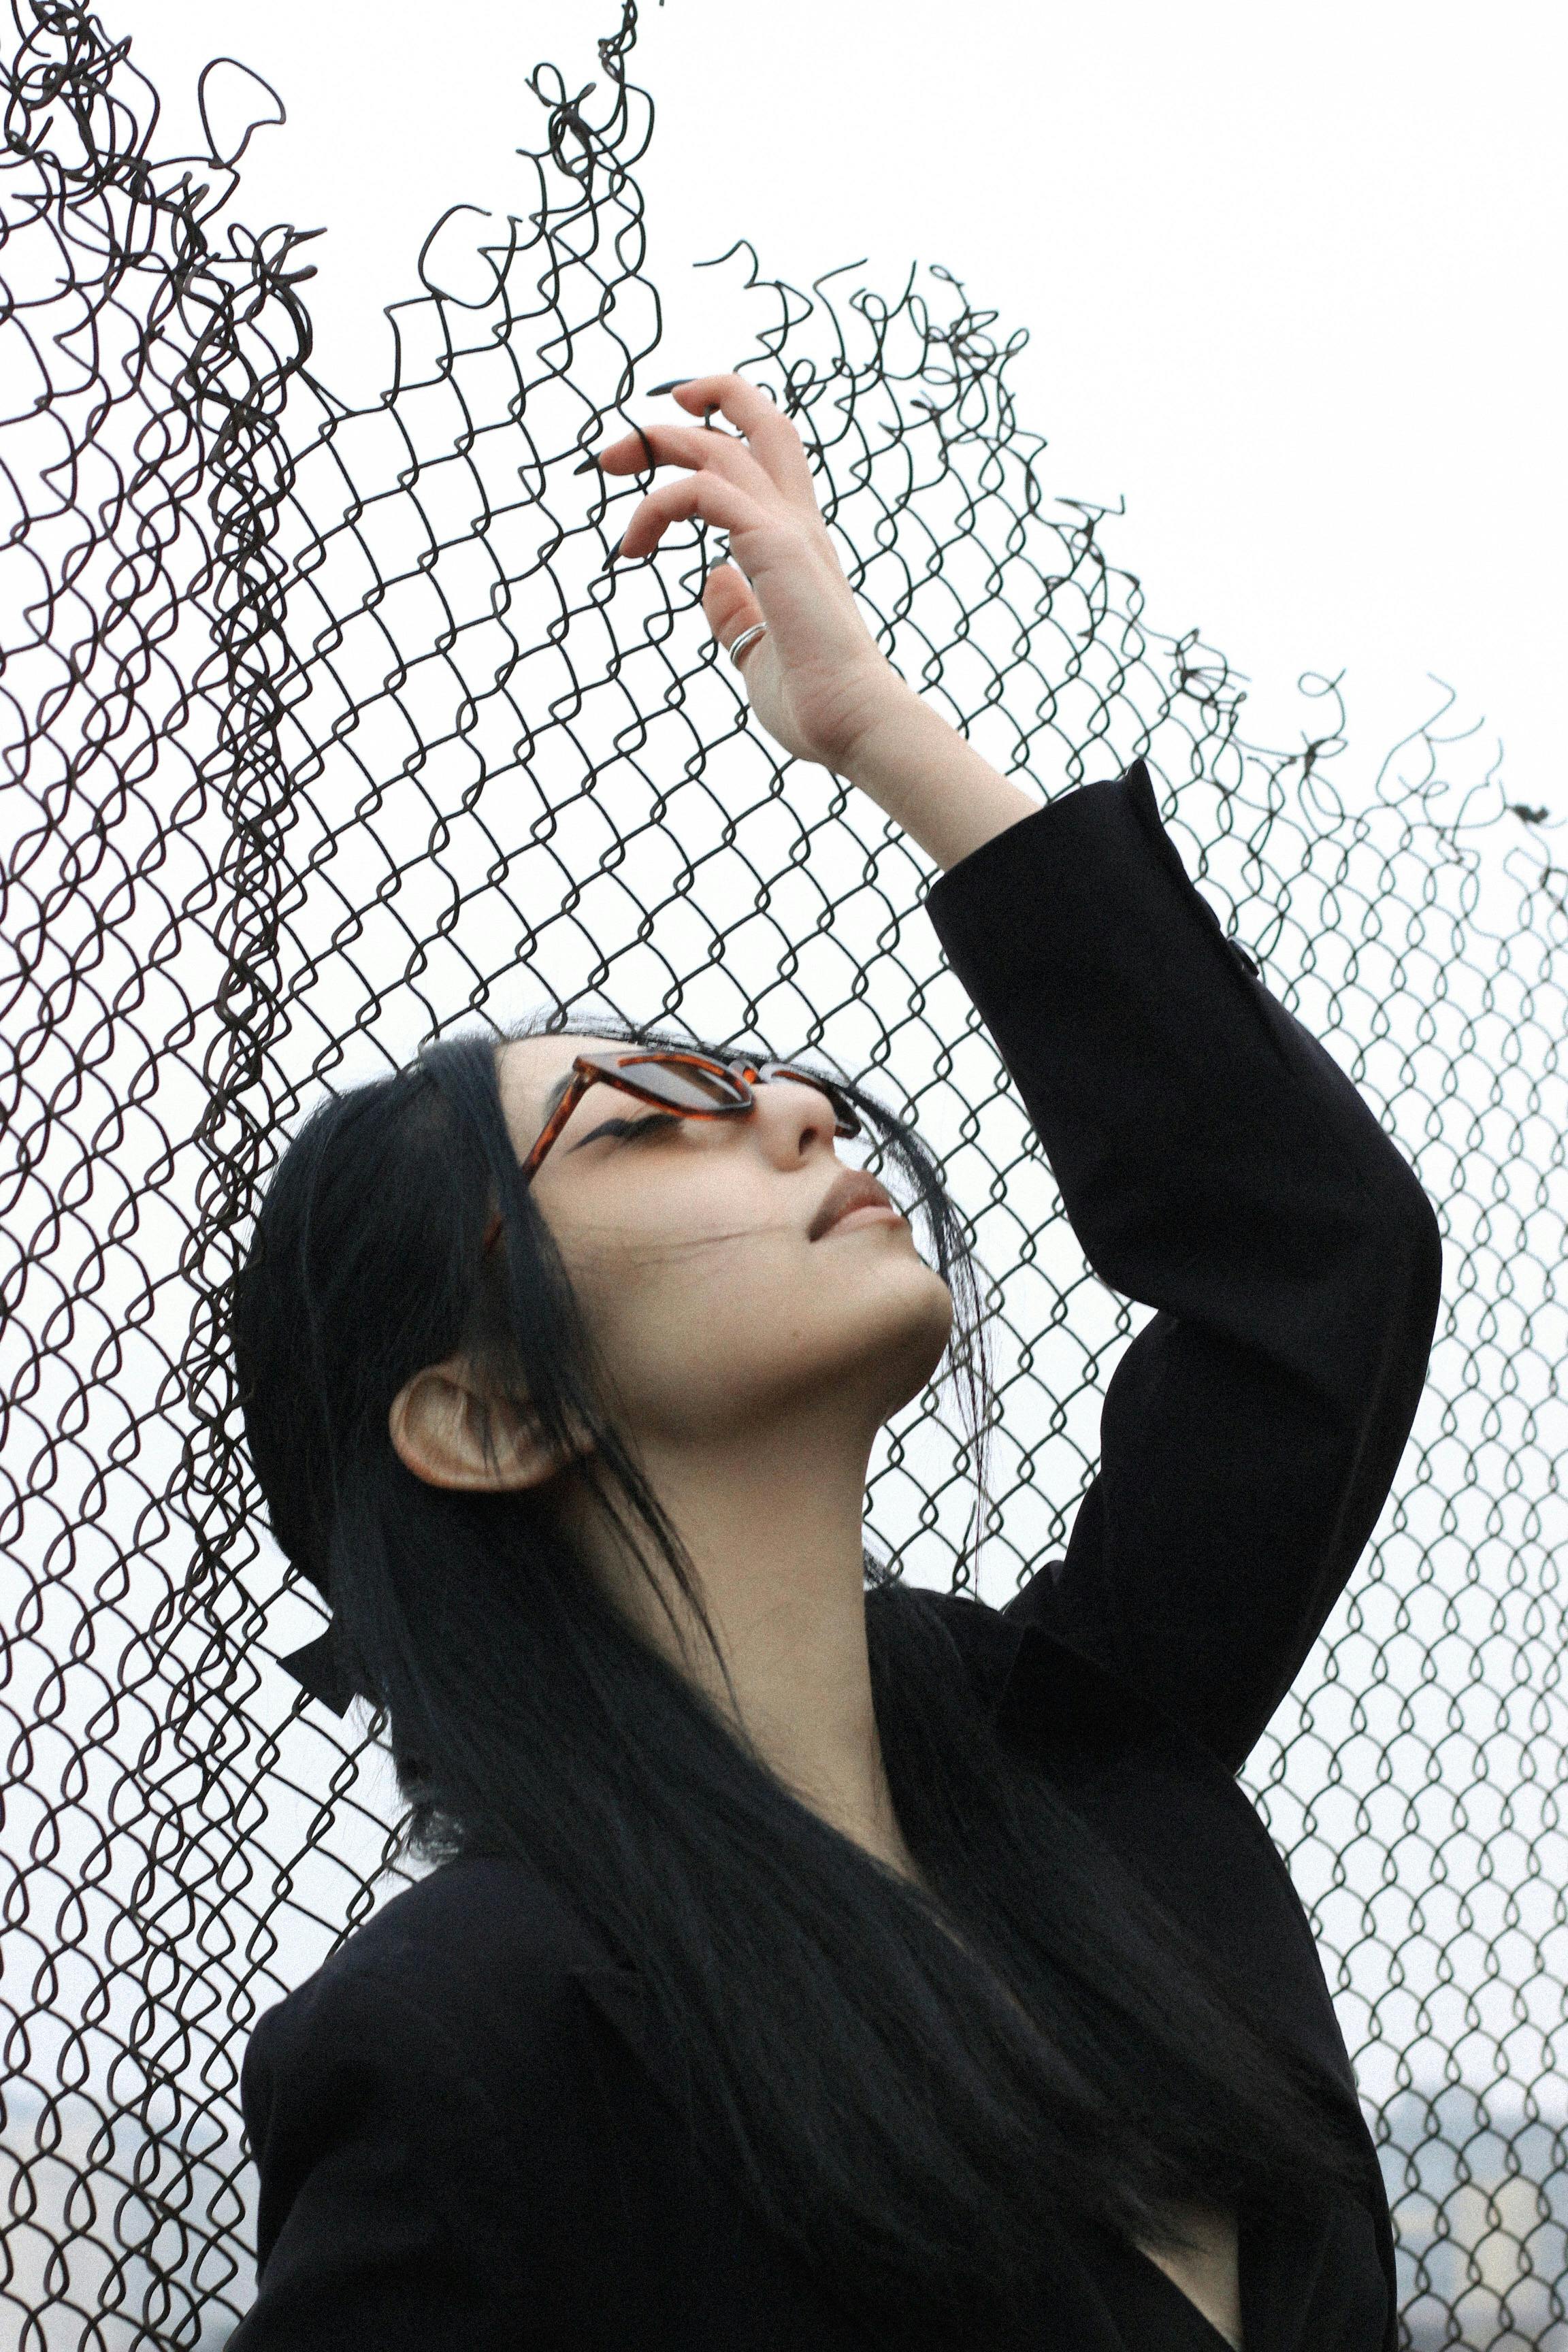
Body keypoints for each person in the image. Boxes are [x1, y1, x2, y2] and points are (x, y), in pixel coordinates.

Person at [225, 376, 1441, 2352]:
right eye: (644, 1127)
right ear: (488, 1412)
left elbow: (1318, 1261)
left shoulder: (1080, 1767)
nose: (802, 1112)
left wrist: (878, 729)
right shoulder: (477, 2057)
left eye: (761, 1080)